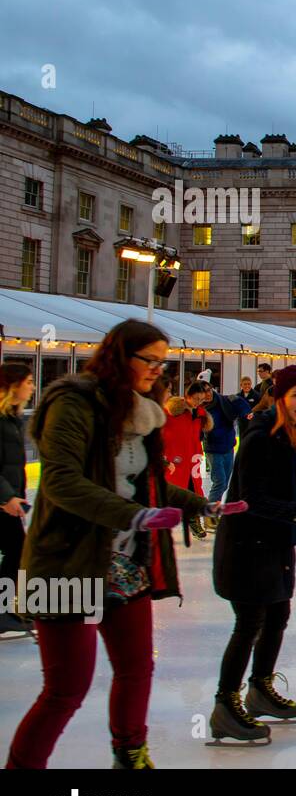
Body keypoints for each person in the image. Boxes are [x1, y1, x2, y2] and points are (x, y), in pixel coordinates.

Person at [6, 320, 222, 769]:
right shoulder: (73, 402)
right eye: (150, 360)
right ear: (120, 355)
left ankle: (131, 755)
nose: (156, 370)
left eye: (163, 362)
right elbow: (63, 482)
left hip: (125, 563)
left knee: (137, 669)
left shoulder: (140, 411)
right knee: (66, 689)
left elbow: (148, 486)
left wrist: (202, 505)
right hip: (67, 562)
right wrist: (135, 516)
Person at [210, 365, 296, 745]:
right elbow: (253, 499)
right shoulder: (261, 436)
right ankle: (225, 705)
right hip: (249, 543)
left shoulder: (295, 434)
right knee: (250, 622)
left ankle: (260, 689)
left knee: (278, 614)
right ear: (279, 396)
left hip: (276, 540)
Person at [0, 363, 34, 635]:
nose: (33, 387)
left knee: (17, 553)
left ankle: (4, 611)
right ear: (13, 386)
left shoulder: (11, 418)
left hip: (10, 500)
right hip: (3, 502)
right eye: (29, 382)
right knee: (17, 552)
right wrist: (6, 497)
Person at [162, 381, 213, 539]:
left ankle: (193, 520)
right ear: (188, 396)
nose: (198, 402)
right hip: (176, 459)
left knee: (195, 491)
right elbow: (160, 433)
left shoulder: (200, 414)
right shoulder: (172, 413)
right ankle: (161, 525)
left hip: (193, 458)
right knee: (171, 492)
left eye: (201, 399)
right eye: (196, 398)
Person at [202, 382, 251, 529]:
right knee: (219, 482)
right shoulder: (201, 409)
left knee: (223, 483)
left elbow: (240, 404)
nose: (208, 393)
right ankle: (209, 516)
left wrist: (248, 413)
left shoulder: (225, 401)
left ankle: (213, 512)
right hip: (213, 449)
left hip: (228, 447)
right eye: (204, 392)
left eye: (209, 390)